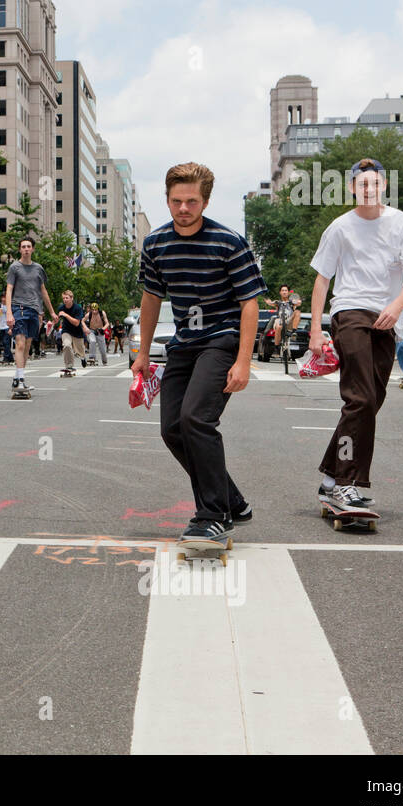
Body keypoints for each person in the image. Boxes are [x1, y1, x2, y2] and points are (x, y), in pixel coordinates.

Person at [132, 162, 263, 544]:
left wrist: (243, 360)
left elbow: (250, 303)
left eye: (191, 201)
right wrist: (142, 353)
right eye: (176, 201)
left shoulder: (228, 242)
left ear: (205, 201)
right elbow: (152, 298)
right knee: (173, 429)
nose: (183, 209)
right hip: (183, 346)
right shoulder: (156, 244)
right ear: (167, 200)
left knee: (196, 419)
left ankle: (213, 514)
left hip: (222, 340)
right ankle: (233, 501)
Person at [308, 158, 403, 513]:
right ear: (352, 188)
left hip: (387, 318)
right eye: (362, 184)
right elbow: (322, 280)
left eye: (374, 183)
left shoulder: (401, 222)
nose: (368, 189)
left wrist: (398, 306)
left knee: (370, 402)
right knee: (360, 399)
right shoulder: (340, 228)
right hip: (350, 312)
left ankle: (330, 478)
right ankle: (346, 483)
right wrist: (315, 330)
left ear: (384, 185)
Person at [4, 235, 59, 397]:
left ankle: (17, 375)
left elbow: (43, 290)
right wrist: (8, 312)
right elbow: (8, 289)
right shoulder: (15, 268)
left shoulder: (38, 269)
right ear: (20, 249)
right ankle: (21, 379)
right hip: (18, 308)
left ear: (33, 249)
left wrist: (52, 311)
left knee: (27, 346)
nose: (26, 249)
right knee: (20, 344)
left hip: (35, 310)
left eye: (29, 246)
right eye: (23, 247)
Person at [265, 285, 302, 354]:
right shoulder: (277, 302)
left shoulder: (292, 302)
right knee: (278, 324)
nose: (284, 292)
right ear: (280, 292)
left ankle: (293, 331)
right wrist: (268, 301)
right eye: (283, 290)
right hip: (280, 321)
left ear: (288, 292)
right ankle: (276, 347)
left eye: (286, 290)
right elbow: (271, 303)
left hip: (289, 322)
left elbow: (299, 303)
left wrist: (297, 301)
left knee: (297, 312)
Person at [56, 290, 87, 370]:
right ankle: (69, 365)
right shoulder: (61, 308)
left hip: (77, 331)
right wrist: (52, 322)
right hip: (66, 330)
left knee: (80, 352)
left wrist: (66, 315)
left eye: (67, 298)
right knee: (66, 345)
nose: (65, 300)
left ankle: (83, 358)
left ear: (72, 298)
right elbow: (57, 319)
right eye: (63, 298)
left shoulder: (78, 308)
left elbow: (76, 323)